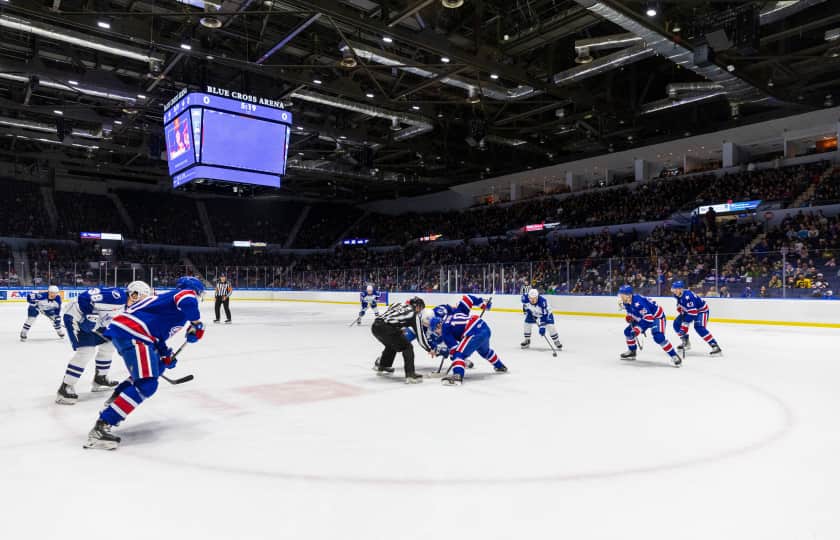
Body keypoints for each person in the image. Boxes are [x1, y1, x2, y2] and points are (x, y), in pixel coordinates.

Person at [82, 277, 206, 450]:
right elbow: (187, 299)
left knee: (157, 367)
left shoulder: (167, 305)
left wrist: (165, 354)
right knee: (147, 384)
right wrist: (197, 323)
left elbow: (157, 335)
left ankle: (118, 398)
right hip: (134, 334)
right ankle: (101, 427)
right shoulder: (183, 294)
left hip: (132, 333)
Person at [56, 281, 152, 405]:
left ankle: (100, 379)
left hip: (96, 324)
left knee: (109, 345)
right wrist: (89, 315)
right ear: (134, 294)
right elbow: (85, 297)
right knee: (86, 352)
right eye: (142, 297)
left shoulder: (130, 309)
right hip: (76, 317)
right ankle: (65, 387)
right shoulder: (116, 296)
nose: (143, 301)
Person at [428, 312, 507, 387]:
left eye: (435, 330)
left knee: (458, 354)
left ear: (438, 325)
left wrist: (449, 355)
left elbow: (454, 349)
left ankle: (457, 376)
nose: (437, 333)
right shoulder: (448, 318)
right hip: (484, 328)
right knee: (485, 352)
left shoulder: (444, 329)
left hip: (474, 332)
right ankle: (500, 366)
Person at [618, 284, 681, 367]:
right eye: (620, 295)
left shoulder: (638, 302)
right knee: (628, 332)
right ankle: (632, 352)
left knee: (658, 337)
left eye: (622, 295)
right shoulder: (627, 301)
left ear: (629, 295)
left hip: (656, 317)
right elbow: (632, 311)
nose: (621, 297)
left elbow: (649, 318)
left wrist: (638, 329)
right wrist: (630, 316)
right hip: (645, 317)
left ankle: (674, 356)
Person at [371, 297, 429, 383]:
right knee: (407, 347)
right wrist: (428, 349)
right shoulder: (414, 315)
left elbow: (391, 314)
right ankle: (410, 374)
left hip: (375, 326)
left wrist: (397, 328)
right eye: (421, 308)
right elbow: (420, 336)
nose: (420, 311)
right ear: (417, 306)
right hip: (387, 329)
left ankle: (383, 365)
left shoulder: (397, 304)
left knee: (392, 344)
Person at [670, 280, 722, 356]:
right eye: (673, 289)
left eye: (675, 289)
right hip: (690, 311)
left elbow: (692, 313)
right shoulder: (677, 294)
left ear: (680, 289)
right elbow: (681, 302)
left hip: (701, 311)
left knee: (699, 327)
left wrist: (685, 326)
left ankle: (715, 346)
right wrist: (680, 307)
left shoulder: (688, 296)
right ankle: (686, 341)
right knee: (676, 324)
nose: (673, 290)